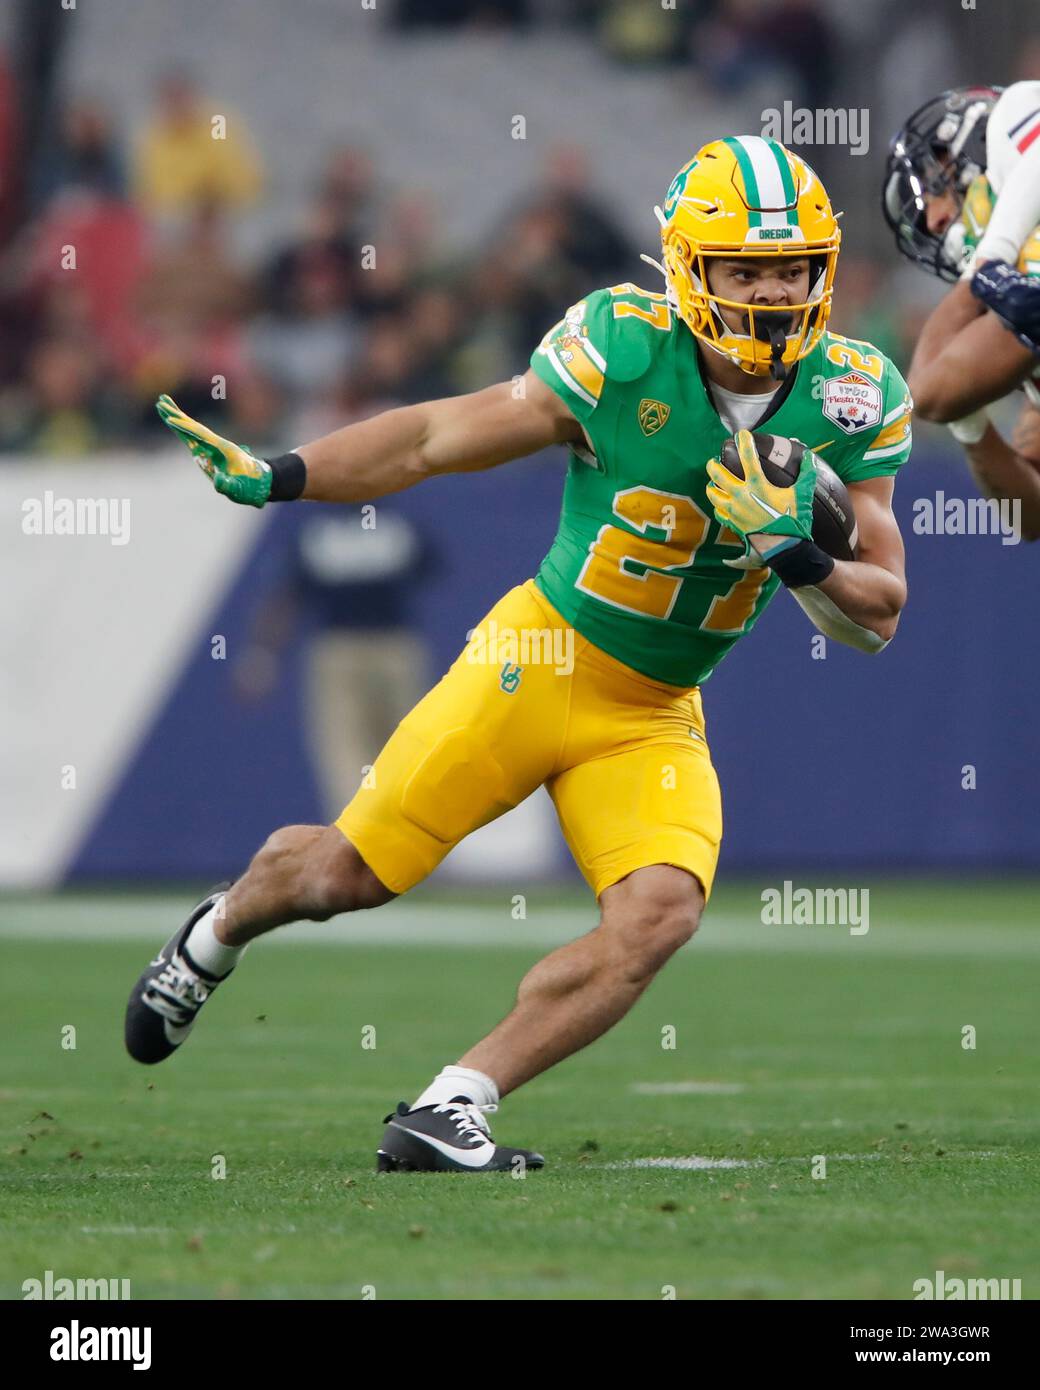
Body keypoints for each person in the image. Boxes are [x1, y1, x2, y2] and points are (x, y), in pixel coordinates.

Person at [125, 137, 910, 1173]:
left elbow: (876, 614)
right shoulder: (620, 347)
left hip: (656, 706)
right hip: (541, 656)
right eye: (743, 268)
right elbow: (433, 438)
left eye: (789, 266)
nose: (770, 291)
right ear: (687, 267)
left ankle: (453, 1103)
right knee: (343, 875)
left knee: (659, 911)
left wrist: (795, 551)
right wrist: (286, 473)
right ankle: (211, 937)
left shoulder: (854, 393)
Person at [883, 84, 1040, 534]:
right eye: (922, 222)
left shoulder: (1014, 114)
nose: (933, 221)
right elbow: (1030, 517)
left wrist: (989, 260)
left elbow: (928, 392)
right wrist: (968, 421)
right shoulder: (1020, 290)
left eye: (933, 186)